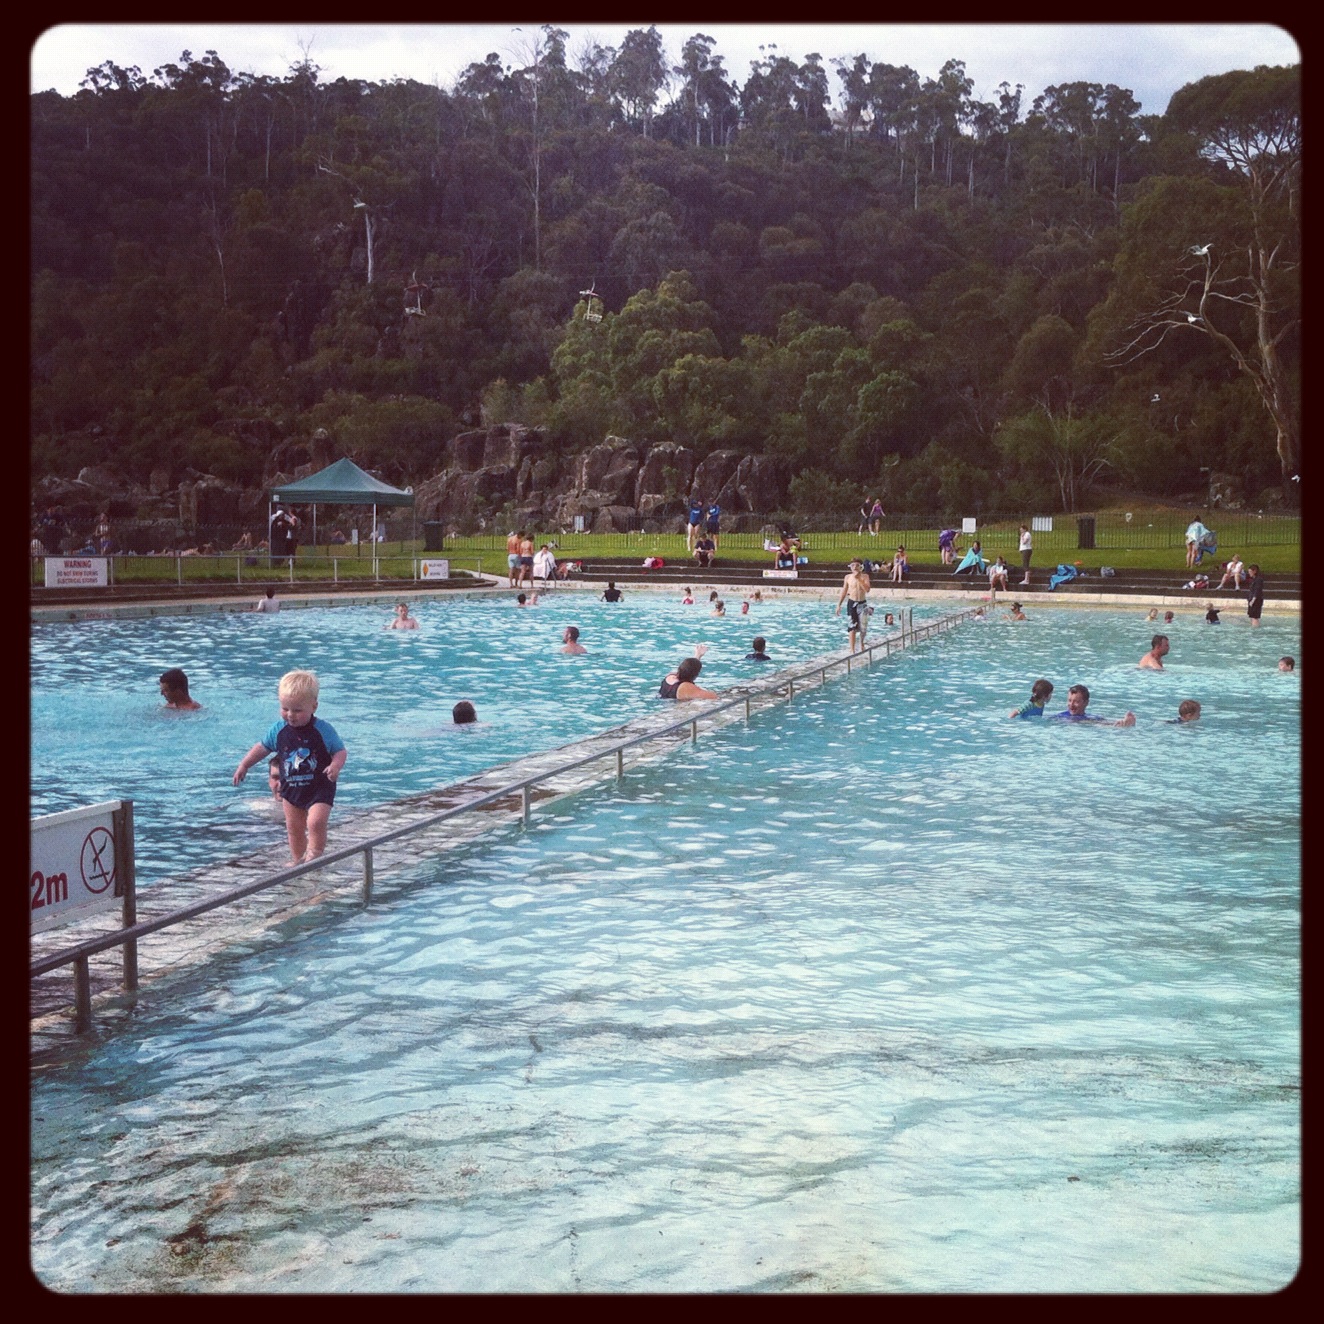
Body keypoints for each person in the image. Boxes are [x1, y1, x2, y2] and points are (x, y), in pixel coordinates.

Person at [233, 669, 347, 864]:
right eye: (285, 708)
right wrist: (245, 765)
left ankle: (316, 852)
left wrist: (335, 766)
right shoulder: (278, 730)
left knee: (315, 822)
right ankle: (297, 859)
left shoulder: (323, 730)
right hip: (291, 788)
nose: (290, 715)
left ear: (314, 706)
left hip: (319, 786)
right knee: (293, 827)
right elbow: (262, 748)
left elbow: (340, 751)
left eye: (297, 710)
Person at [835, 557, 872, 654]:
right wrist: (839, 605)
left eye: (857, 565)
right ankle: (852, 649)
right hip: (851, 603)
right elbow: (844, 591)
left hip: (862, 603)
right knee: (851, 626)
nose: (855, 567)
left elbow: (867, 590)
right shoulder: (847, 577)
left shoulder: (865, 577)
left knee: (863, 627)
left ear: (861, 567)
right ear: (850, 567)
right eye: (853, 565)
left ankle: (862, 643)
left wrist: (859, 579)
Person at [1051, 684, 1136, 726]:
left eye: (1076, 701)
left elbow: (1103, 722)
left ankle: (1121, 723)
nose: (1071, 705)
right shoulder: (1059, 717)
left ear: (1086, 703)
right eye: (1069, 701)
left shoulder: (1094, 717)